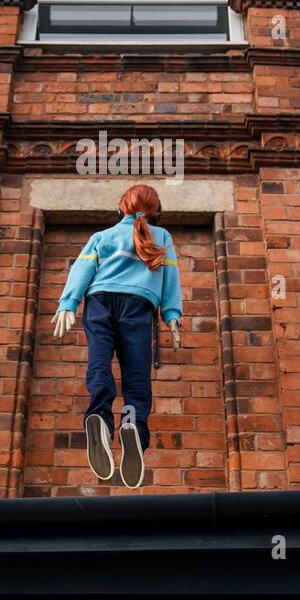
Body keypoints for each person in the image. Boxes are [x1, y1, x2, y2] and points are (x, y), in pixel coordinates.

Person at [51, 184, 182, 488]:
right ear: (155, 211)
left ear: (121, 207)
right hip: (139, 306)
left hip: (99, 303)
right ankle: (133, 424)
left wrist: (68, 303)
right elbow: (171, 277)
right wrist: (172, 315)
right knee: (137, 374)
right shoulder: (162, 238)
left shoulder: (102, 237)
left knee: (99, 361)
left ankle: (98, 415)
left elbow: (81, 270)